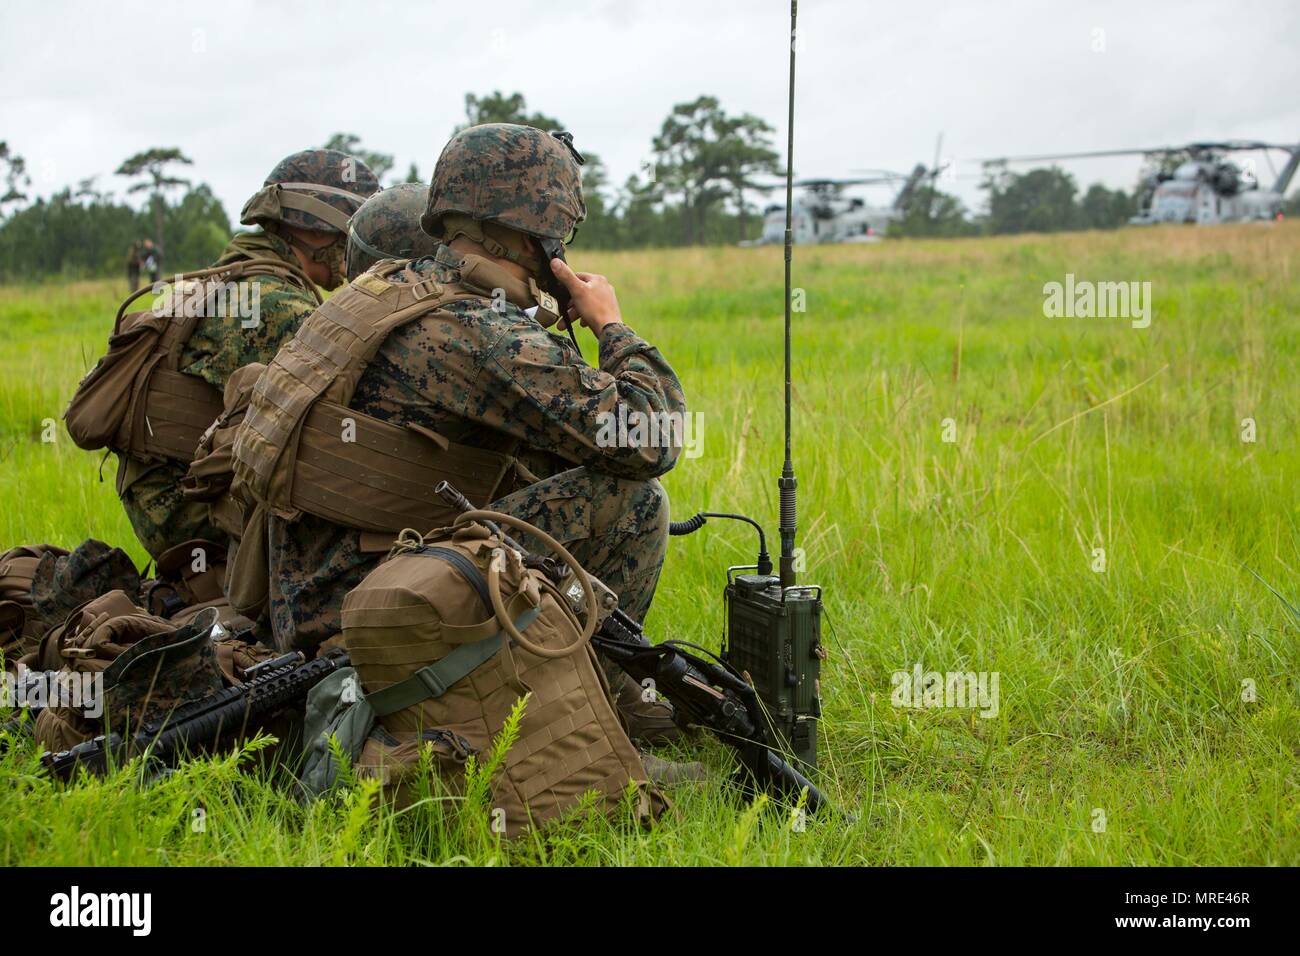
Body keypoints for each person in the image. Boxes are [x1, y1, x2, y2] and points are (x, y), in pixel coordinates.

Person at [231, 124, 689, 739]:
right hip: (375, 622)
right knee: (631, 503)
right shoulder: (479, 329)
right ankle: (586, 722)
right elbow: (650, 438)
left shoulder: (376, 295)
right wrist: (612, 328)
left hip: (312, 605)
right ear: (531, 233)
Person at [103, 149, 380, 560]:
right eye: (352, 229)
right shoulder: (275, 304)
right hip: (196, 519)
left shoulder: (233, 278)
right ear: (317, 228)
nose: (354, 246)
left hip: (170, 508)